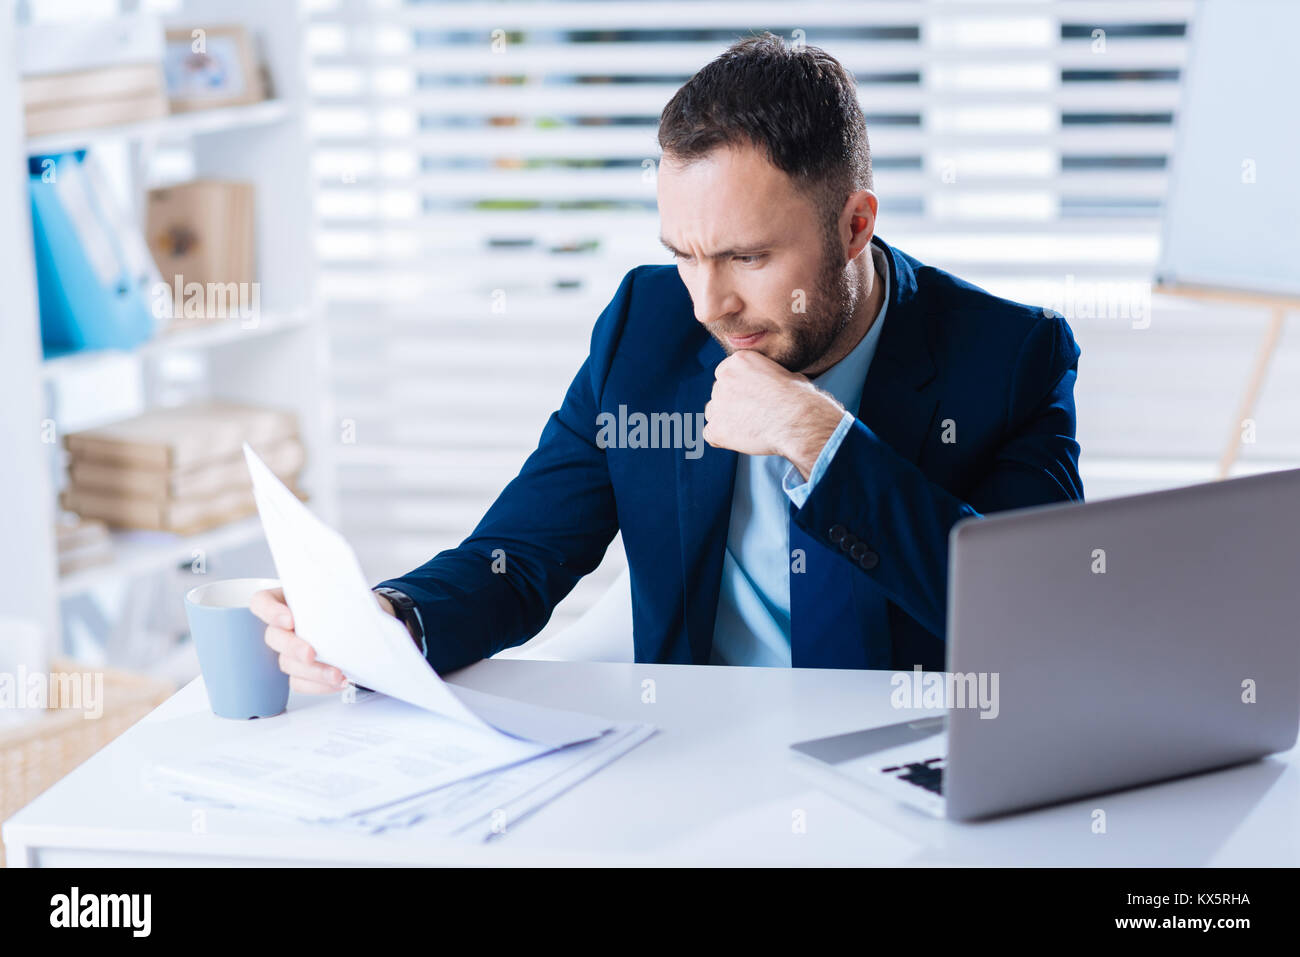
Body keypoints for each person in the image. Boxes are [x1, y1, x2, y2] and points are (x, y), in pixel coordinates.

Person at [252, 33, 1082, 694]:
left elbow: (1041, 622)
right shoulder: (645, 327)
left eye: (747, 257)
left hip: (902, 774)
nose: (707, 305)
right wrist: (392, 619)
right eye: (685, 255)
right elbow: (521, 555)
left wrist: (822, 440)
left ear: (855, 225)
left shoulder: (1010, 357)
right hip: (691, 757)